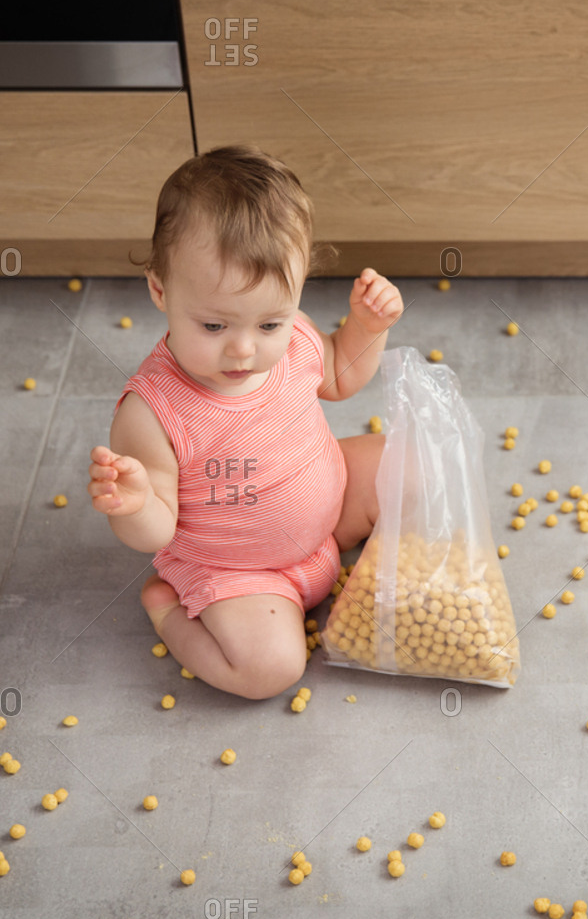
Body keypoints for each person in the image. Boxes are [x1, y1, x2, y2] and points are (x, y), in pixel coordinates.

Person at [88, 145, 403, 699]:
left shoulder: (294, 334)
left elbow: (339, 377)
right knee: (271, 670)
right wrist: (135, 505)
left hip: (327, 518)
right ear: (160, 290)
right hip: (238, 573)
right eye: (213, 325)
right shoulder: (152, 411)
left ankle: (372, 564)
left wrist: (367, 328)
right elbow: (157, 531)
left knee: (405, 461)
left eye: (269, 323)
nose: (243, 349)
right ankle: (172, 617)